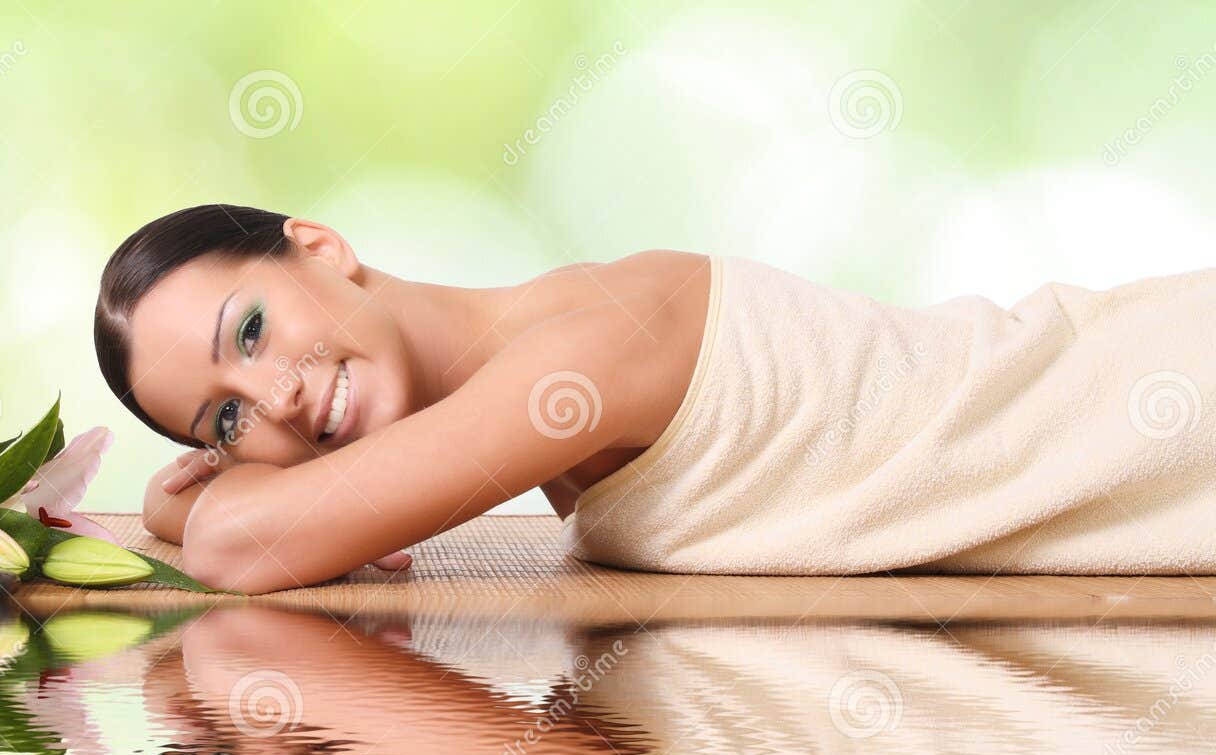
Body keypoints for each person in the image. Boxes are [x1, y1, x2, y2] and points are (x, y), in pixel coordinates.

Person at [95, 204, 1216, 593]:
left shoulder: (576, 362)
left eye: (250, 330)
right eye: (224, 420)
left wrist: (190, 505)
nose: (276, 395)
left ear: (322, 248)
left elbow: (246, 549)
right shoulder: (523, 383)